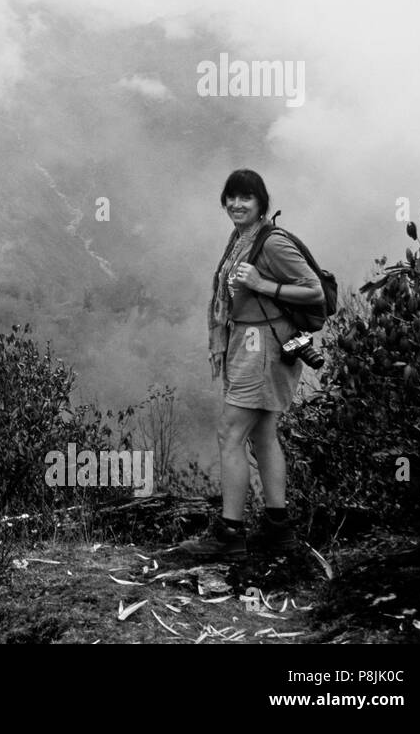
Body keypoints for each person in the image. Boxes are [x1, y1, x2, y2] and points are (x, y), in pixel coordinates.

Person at [178, 169, 324, 559]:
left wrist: (262, 285)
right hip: (249, 341)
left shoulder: (272, 242)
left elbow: (313, 290)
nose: (236, 204)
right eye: (231, 197)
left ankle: (231, 534)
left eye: (246, 197)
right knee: (262, 435)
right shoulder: (241, 239)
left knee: (230, 433)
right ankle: (278, 529)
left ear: (262, 202)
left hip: (264, 346)